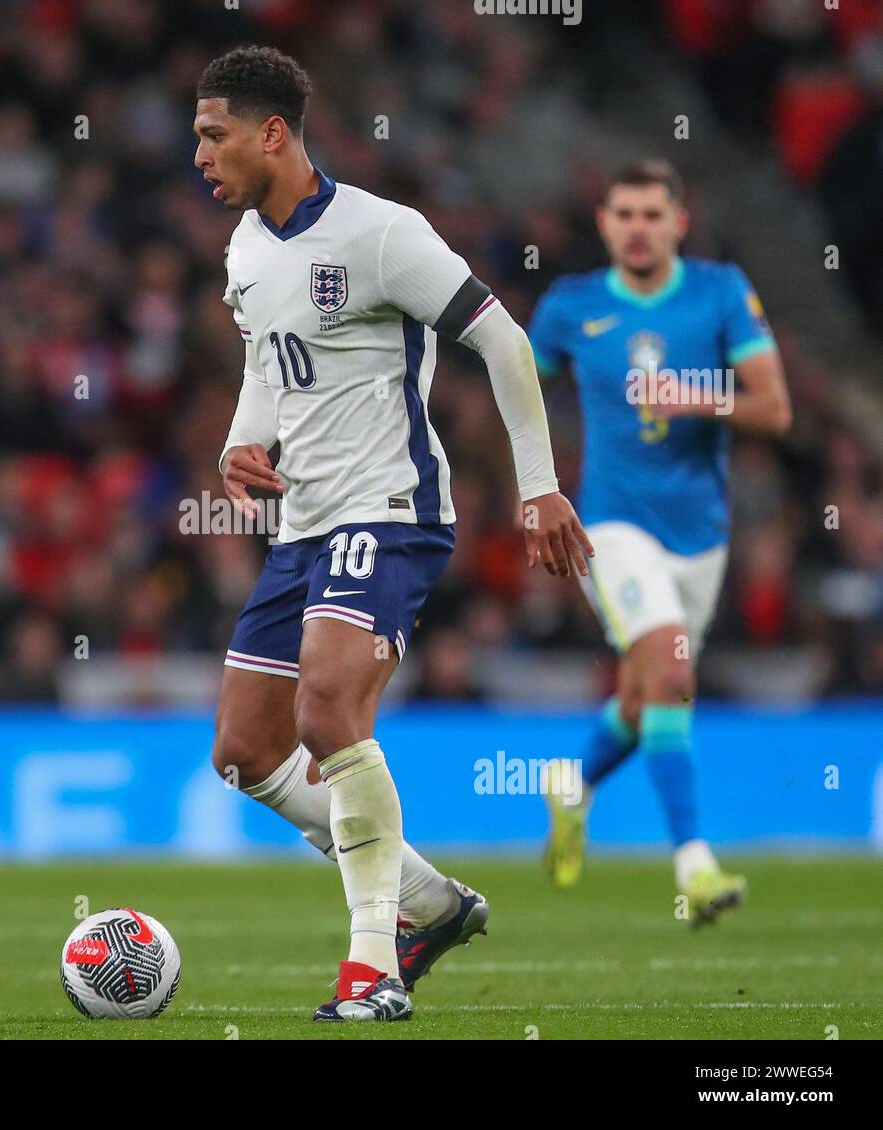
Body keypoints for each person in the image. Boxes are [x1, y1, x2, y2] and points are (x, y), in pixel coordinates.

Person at [195, 46, 591, 1021]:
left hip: (391, 507)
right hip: (302, 522)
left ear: (271, 133)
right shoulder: (246, 247)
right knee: (246, 752)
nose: (199, 154)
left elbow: (501, 338)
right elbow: (265, 358)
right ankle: (429, 902)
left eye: (213, 134)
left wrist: (537, 488)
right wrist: (245, 441)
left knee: (330, 712)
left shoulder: (382, 234)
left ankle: (372, 966)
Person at [528, 159, 792, 924]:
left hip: (702, 534)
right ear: (604, 223)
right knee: (672, 674)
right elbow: (517, 397)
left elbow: (774, 411)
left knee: (648, 698)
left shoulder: (720, 290)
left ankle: (572, 787)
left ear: (679, 222)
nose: (638, 227)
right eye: (624, 214)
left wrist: (695, 396)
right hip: (610, 524)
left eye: (653, 214)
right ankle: (697, 867)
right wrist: (530, 490)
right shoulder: (569, 307)